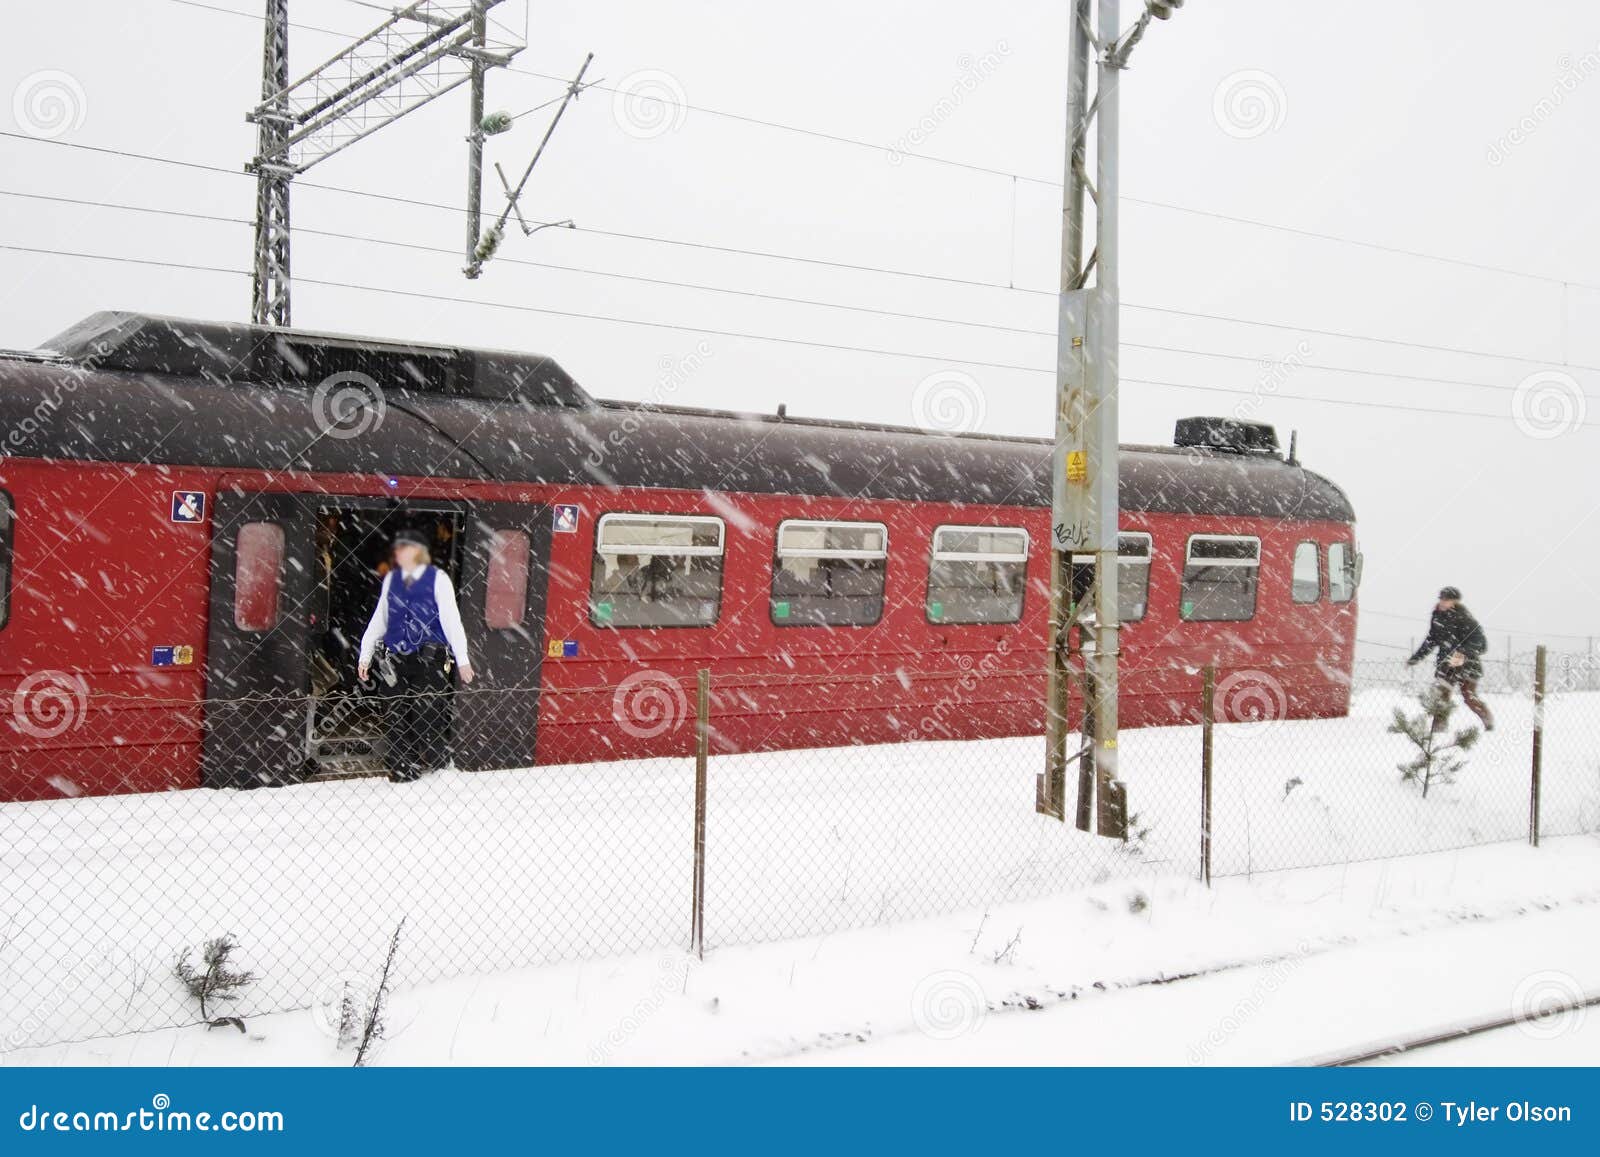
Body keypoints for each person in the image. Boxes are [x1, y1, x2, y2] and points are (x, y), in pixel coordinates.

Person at [358, 528, 476, 782]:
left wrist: (462, 658)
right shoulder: (392, 579)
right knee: (395, 714)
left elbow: (451, 620)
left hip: (429, 658)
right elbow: (381, 617)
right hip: (395, 658)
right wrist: (365, 653)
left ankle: (440, 770)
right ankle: (403, 770)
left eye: (404, 549)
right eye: (398, 549)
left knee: (427, 715)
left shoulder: (438, 579)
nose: (399, 553)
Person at [1407, 585, 1494, 731]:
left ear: (1455, 602)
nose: (1443, 601)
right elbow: (1431, 640)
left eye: (1446, 599)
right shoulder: (1437, 617)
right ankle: (1439, 728)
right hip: (1446, 665)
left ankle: (1487, 719)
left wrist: (1462, 652)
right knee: (1442, 695)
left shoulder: (1465, 618)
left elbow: (1481, 642)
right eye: (1441, 598)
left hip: (1468, 665)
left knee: (1468, 696)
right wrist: (1416, 657)